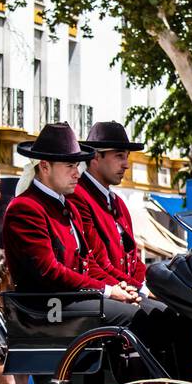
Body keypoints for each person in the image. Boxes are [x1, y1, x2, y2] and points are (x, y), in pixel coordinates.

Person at [2, 122, 192, 378]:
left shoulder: (63, 206)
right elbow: (49, 271)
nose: (76, 173)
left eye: (76, 165)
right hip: (47, 307)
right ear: (45, 166)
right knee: (142, 319)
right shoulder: (25, 208)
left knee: (167, 316)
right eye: (70, 166)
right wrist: (107, 290)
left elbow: (89, 262)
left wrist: (122, 289)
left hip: (72, 300)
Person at [74, 121, 148, 292]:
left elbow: (134, 259)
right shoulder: (79, 196)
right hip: (101, 293)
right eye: (119, 156)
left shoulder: (118, 202)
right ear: (95, 157)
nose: (126, 164)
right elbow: (97, 262)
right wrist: (139, 290)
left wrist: (152, 283)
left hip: (125, 289)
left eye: (127, 156)